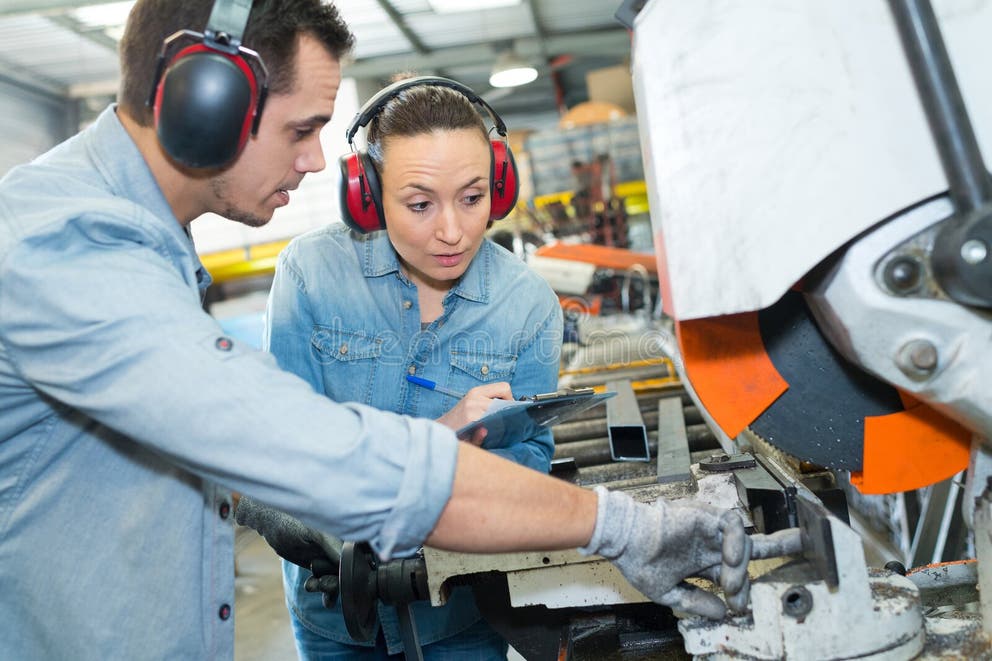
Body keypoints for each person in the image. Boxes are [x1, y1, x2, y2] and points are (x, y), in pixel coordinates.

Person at [0, 0, 793, 658]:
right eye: (300, 129)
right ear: (206, 101)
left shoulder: (135, 248)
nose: (315, 162)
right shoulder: (68, 248)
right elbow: (296, 450)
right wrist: (626, 527)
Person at [264, 77, 562, 658]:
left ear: (500, 189)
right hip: (334, 614)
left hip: (459, 616)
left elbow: (527, 466)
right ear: (368, 195)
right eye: (420, 204)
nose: (452, 231)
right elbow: (280, 452)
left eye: (473, 199)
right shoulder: (310, 275)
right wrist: (440, 441)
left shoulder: (528, 306)